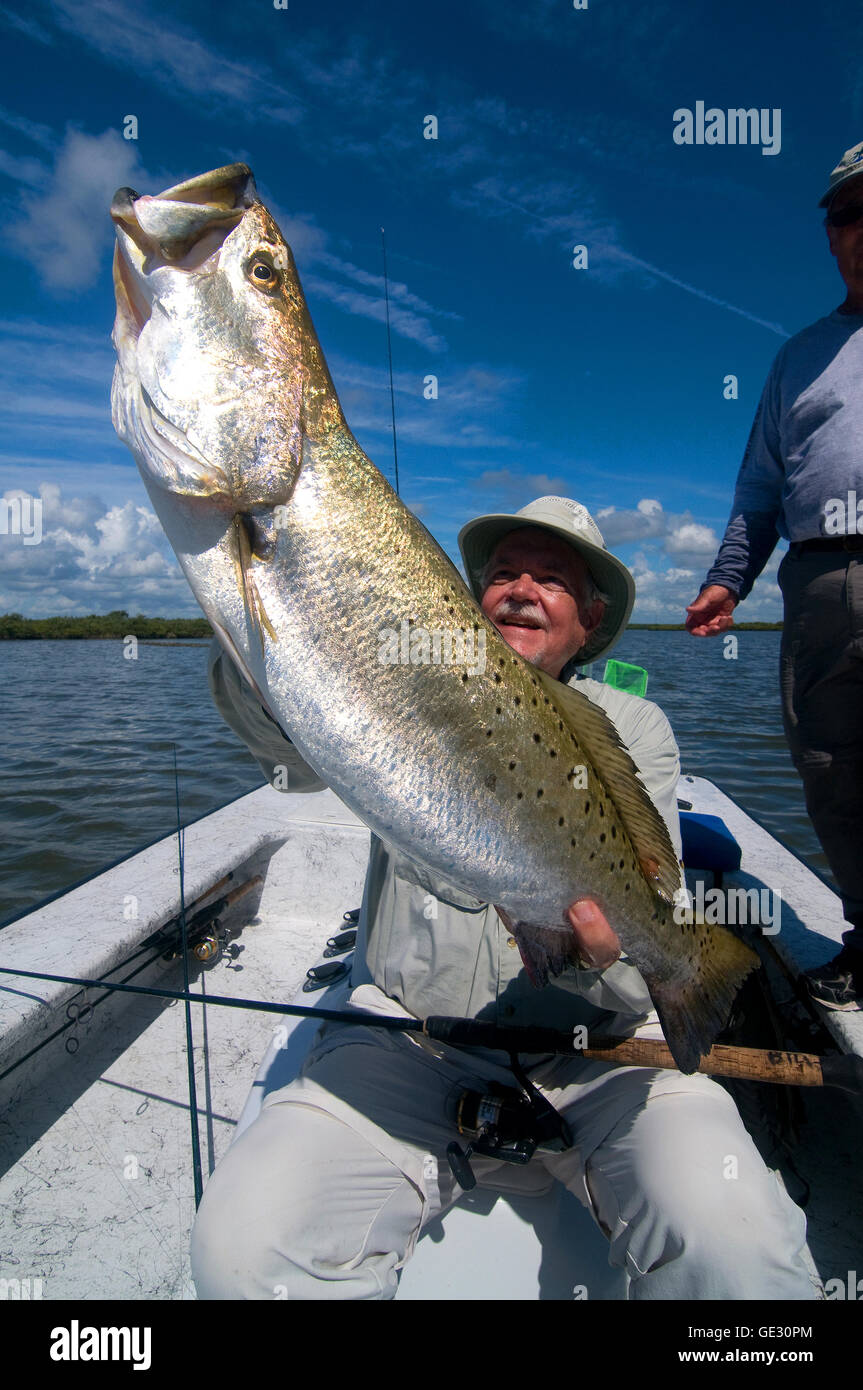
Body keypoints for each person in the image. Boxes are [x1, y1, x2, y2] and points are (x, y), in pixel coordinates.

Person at [191, 495, 817, 1300]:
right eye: (501, 575)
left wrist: (618, 954)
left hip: (608, 1058)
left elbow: (652, 889)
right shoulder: (395, 681)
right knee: (245, 1254)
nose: (520, 589)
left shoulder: (634, 725)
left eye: (550, 579)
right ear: (466, 601)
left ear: (588, 622)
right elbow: (291, 754)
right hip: (406, 1046)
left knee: (743, 1257)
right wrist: (253, 610)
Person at [685, 140, 863, 1010]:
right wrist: (731, 578)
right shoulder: (796, 356)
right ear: (830, 235)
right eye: (847, 212)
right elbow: (760, 486)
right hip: (819, 579)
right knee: (831, 767)